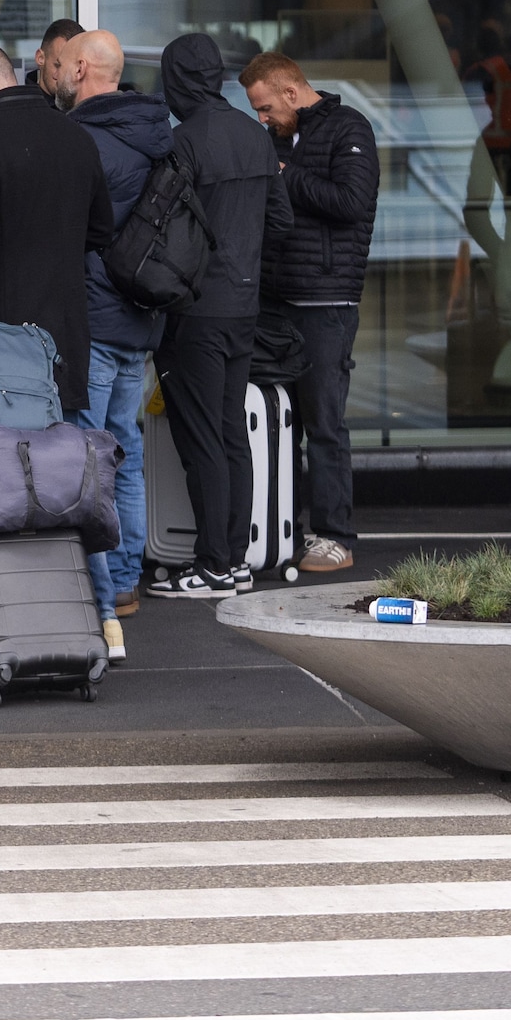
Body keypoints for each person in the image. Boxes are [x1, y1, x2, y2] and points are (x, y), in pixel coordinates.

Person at [146, 33, 293, 601]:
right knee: (232, 433)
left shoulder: (181, 142)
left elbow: (163, 228)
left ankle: (211, 564)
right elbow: (280, 222)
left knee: (204, 436)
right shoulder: (255, 138)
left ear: (177, 80)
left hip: (196, 310)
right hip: (244, 305)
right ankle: (234, 561)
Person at [55, 29, 170, 659]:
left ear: (79, 67)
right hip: (141, 318)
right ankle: (125, 581)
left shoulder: (84, 139)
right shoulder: (157, 131)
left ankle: (99, 601)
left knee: (87, 460)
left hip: (96, 319)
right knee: (123, 455)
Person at [242, 51, 379, 575]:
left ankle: (335, 537)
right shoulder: (276, 139)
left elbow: (351, 200)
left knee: (324, 425)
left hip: (327, 304)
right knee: (279, 424)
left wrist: (283, 175)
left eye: (266, 107)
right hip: (275, 300)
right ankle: (283, 529)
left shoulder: (350, 128)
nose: (262, 119)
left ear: (292, 93)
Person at [0, 41, 113, 418]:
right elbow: (102, 228)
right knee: (62, 464)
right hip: (67, 335)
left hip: (3, 345)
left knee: (6, 466)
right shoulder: (76, 135)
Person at [32, 17, 85, 97]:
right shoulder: (24, 104)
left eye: (75, 69)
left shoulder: (86, 104)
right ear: (40, 58)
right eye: (58, 66)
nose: (64, 76)